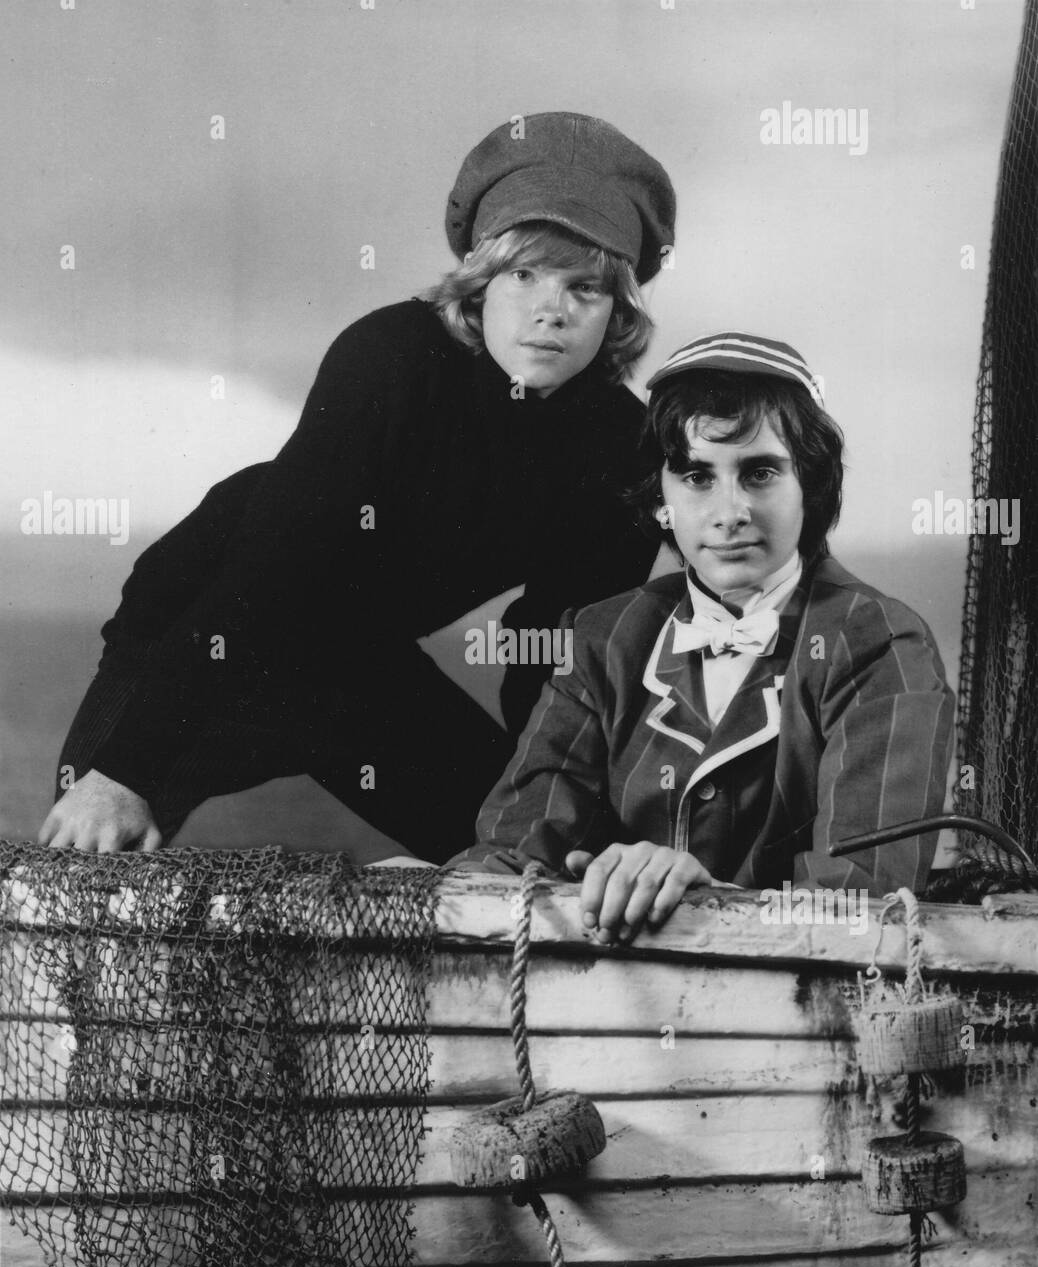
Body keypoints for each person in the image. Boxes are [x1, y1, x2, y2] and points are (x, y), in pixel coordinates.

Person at [38, 112, 676, 861]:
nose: (550, 309)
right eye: (524, 274)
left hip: (355, 666)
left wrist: (543, 808)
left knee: (520, 854)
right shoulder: (391, 358)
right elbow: (266, 576)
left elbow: (550, 650)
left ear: (620, 309)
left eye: (585, 288)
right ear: (479, 281)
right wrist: (123, 774)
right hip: (202, 631)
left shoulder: (624, 450)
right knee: (93, 857)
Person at [451, 333, 956, 937]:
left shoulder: (881, 642)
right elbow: (515, 853)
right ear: (661, 493)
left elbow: (864, 897)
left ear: (812, 485)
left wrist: (707, 896)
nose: (728, 511)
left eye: (760, 472)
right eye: (695, 476)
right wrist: (434, 892)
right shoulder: (603, 636)